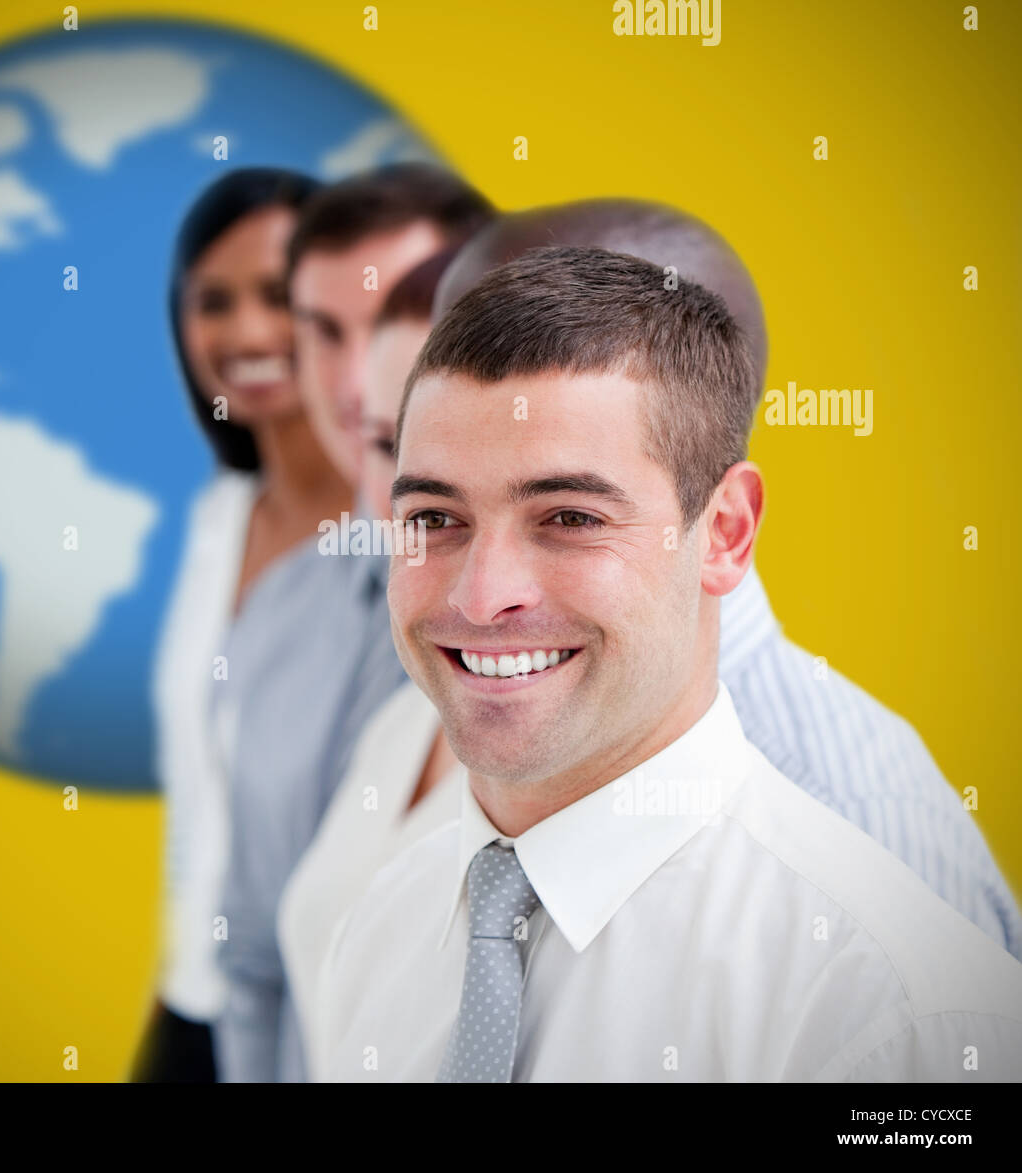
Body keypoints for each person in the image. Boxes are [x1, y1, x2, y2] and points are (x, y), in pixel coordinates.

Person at [281, 199, 1022, 1078]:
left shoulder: (892, 1010)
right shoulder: (380, 927)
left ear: (726, 532)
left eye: (568, 517)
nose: (483, 596)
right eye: (435, 517)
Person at [213, 164, 494, 1083]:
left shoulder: (561, 635)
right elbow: (256, 953)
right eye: (321, 331)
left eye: (388, 322)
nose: (346, 378)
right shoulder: (282, 610)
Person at [133, 167, 350, 1082]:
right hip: (194, 1002)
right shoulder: (218, 519)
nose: (249, 332)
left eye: (280, 296)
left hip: (328, 1025)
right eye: (213, 301)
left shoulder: (402, 543)